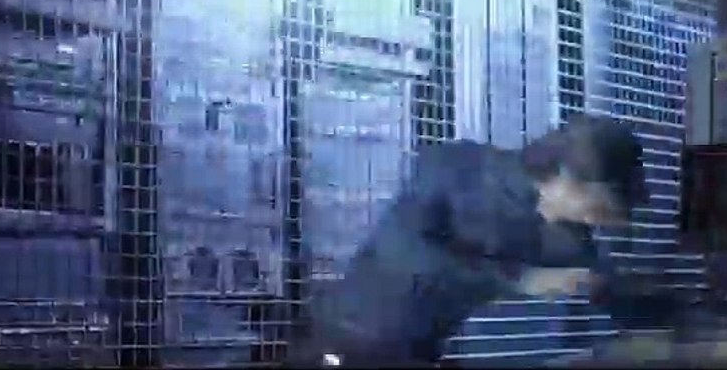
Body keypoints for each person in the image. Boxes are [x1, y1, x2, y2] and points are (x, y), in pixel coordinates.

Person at [293, 114, 705, 367]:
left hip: (419, 352)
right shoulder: (457, 166)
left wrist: (703, 316)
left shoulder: (568, 235)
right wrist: (521, 278)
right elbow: (404, 253)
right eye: (598, 209)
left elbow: (615, 295)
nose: (596, 224)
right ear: (567, 177)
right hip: (345, 339)